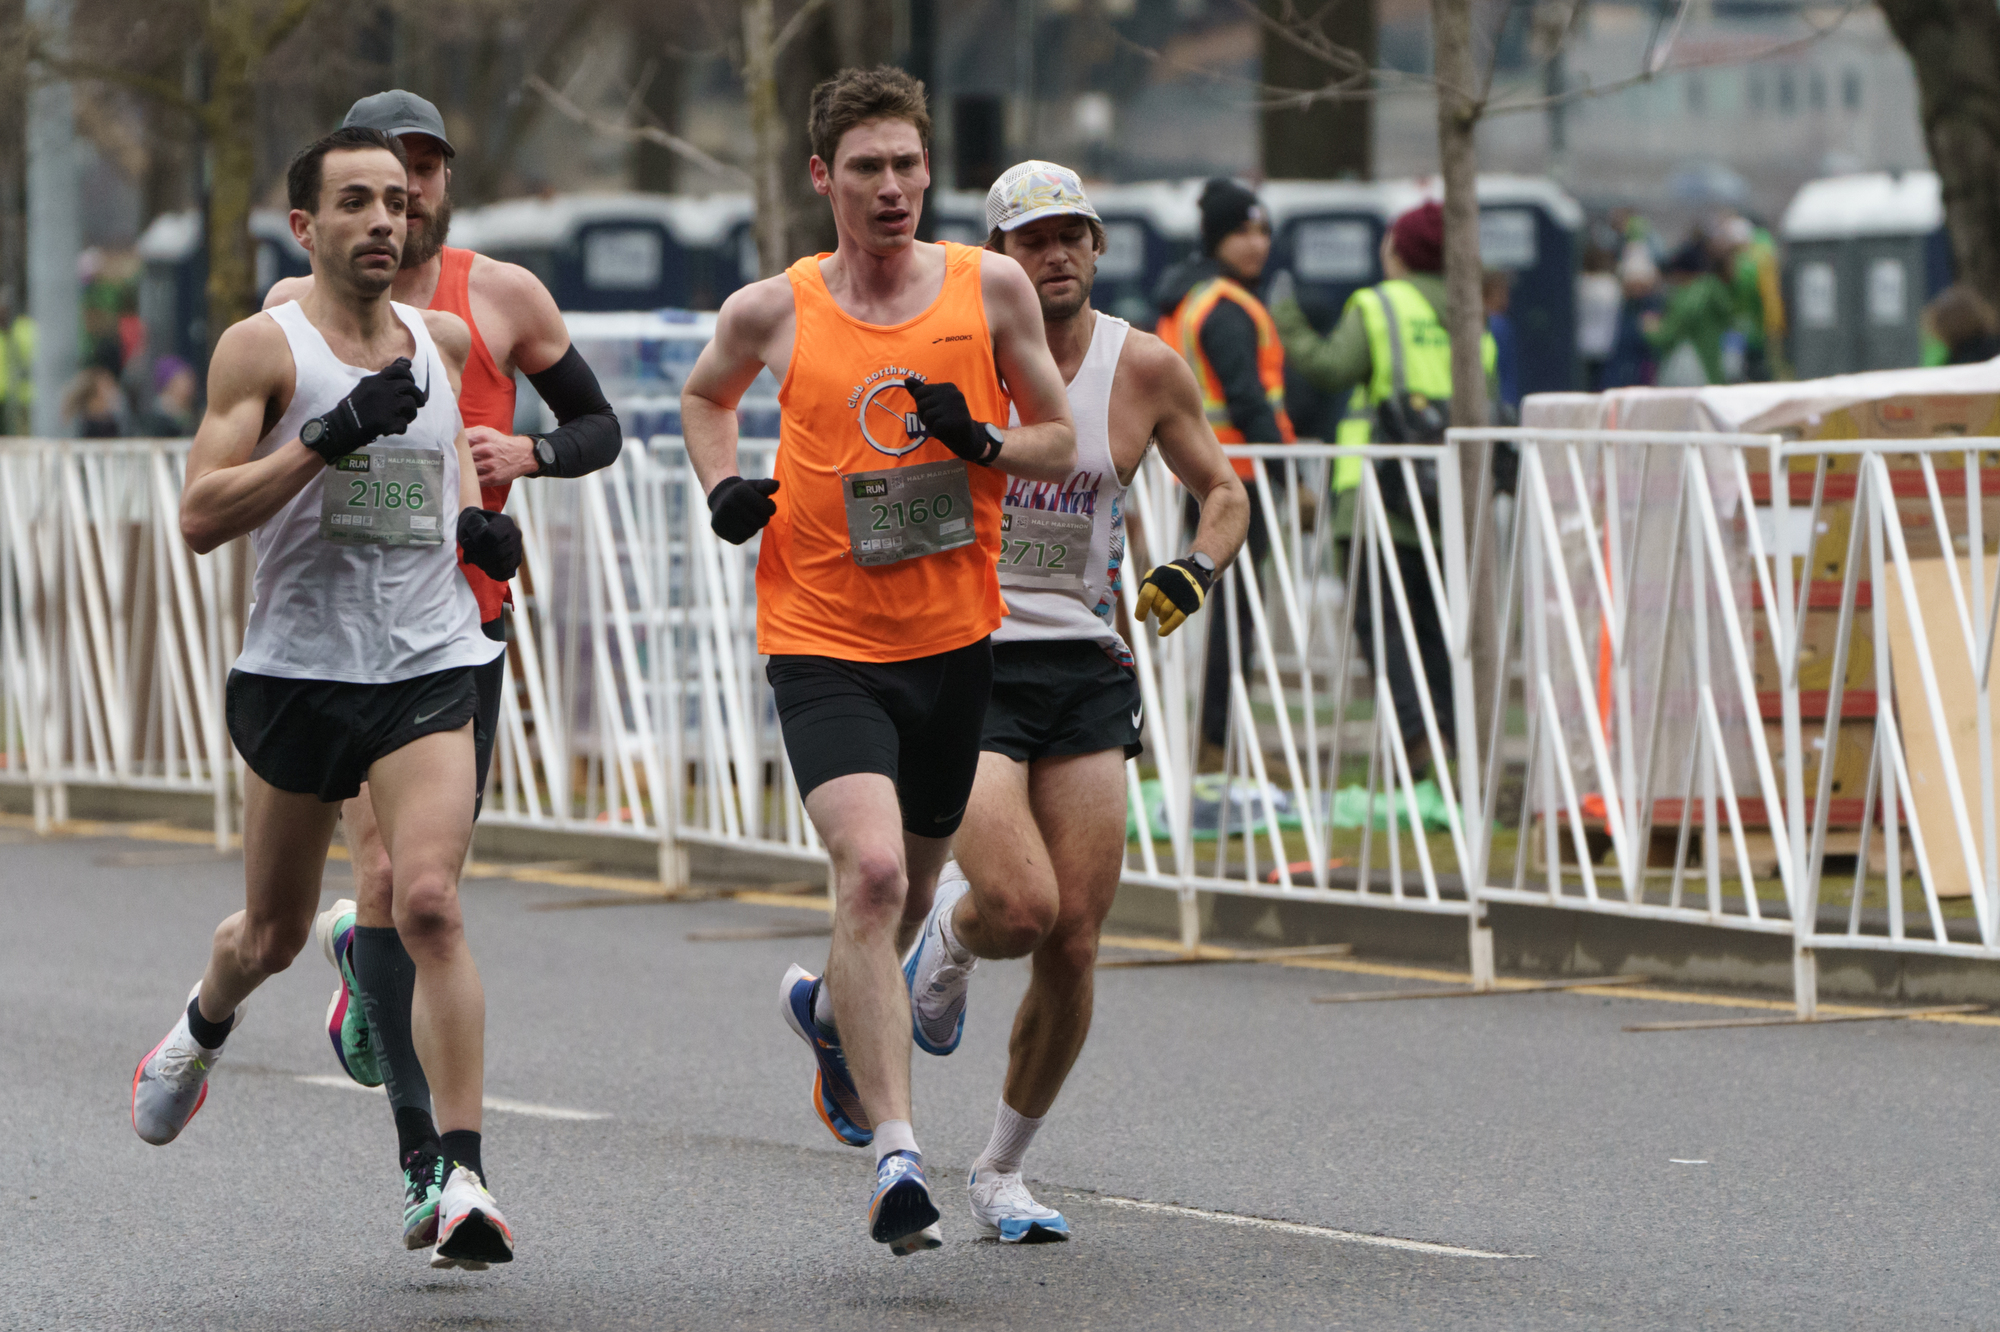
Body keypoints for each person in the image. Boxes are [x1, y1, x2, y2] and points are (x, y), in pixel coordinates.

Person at [679, 66, 1075, 1254]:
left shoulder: (987, 285)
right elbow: (707, 399)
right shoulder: (776, 308)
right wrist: (723, 486)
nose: (893, 186)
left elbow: (1061, 435)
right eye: (867, 168)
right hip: (820, 639)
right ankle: (898, 1157)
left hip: (951, 642)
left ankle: (828, 1016)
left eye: (907, 164)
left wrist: (983, 439)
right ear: (823, 179)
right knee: (869, 880)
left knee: (898, 902)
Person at [129, 126, 525, 1270]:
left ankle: (459, 1174)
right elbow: (201, 519)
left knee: (430, 900)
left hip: (426, 661)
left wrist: (475, 522)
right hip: (301, 672)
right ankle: (205, 1023)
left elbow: (441, 458)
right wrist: (322, 438)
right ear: (304, 227)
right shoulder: (264, 350)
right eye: (353, 202)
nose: (380, 222)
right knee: (275, 933)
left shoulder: (442, 339)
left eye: (395, 203)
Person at [264, 89, 619, 1254]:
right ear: (337, 188)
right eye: (384, 172)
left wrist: (530, 451)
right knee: (398, 894)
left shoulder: (500, 296)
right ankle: (434, 1173)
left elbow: (601, 427)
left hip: (468, 623)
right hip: (350, 645)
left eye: (426, 168)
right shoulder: (290, 315)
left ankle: (366, 977)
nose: (408, 191)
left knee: (427, 894)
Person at [897, 160, 1247, 1242]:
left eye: (1071, 236)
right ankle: (945, 947)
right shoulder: (955, 358)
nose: (1053, 255)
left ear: (1096, 248)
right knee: (1016, 905)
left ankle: (1000, 1171)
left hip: (1087, 668)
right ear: (996, 255)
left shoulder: (1142, 367)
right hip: (973, 656)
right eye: (1030, 239)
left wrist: (1192, 568)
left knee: (1078, 940)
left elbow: (1225, 489)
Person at [1269, 199, 1492, 773]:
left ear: (1401, 249)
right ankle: (1451, 741)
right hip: (1448, 498)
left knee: (1381, 621)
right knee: (1435, 627)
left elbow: (1328, 368)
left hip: (1376, 494)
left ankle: (1420, 742)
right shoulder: (1473, 315)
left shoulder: (1380, 304)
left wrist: (1286, 317)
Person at [1152, 178, 1293, 756]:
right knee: (1238, 615)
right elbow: (1248, 399)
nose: (1256, 244)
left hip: (1197, 476)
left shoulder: (1191, 298)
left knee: (1223, 610)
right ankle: (1216, 735)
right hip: (1235, 479)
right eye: (1242, 232)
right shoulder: (1226, 307)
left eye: (1263, 231)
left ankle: (1212, 732)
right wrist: (1286, 473)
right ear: (1215, 239)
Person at [139, 356, 199, 437]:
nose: (188, 387)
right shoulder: (157, 421)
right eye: (181, 381)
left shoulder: (191, 414)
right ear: (169, 385)